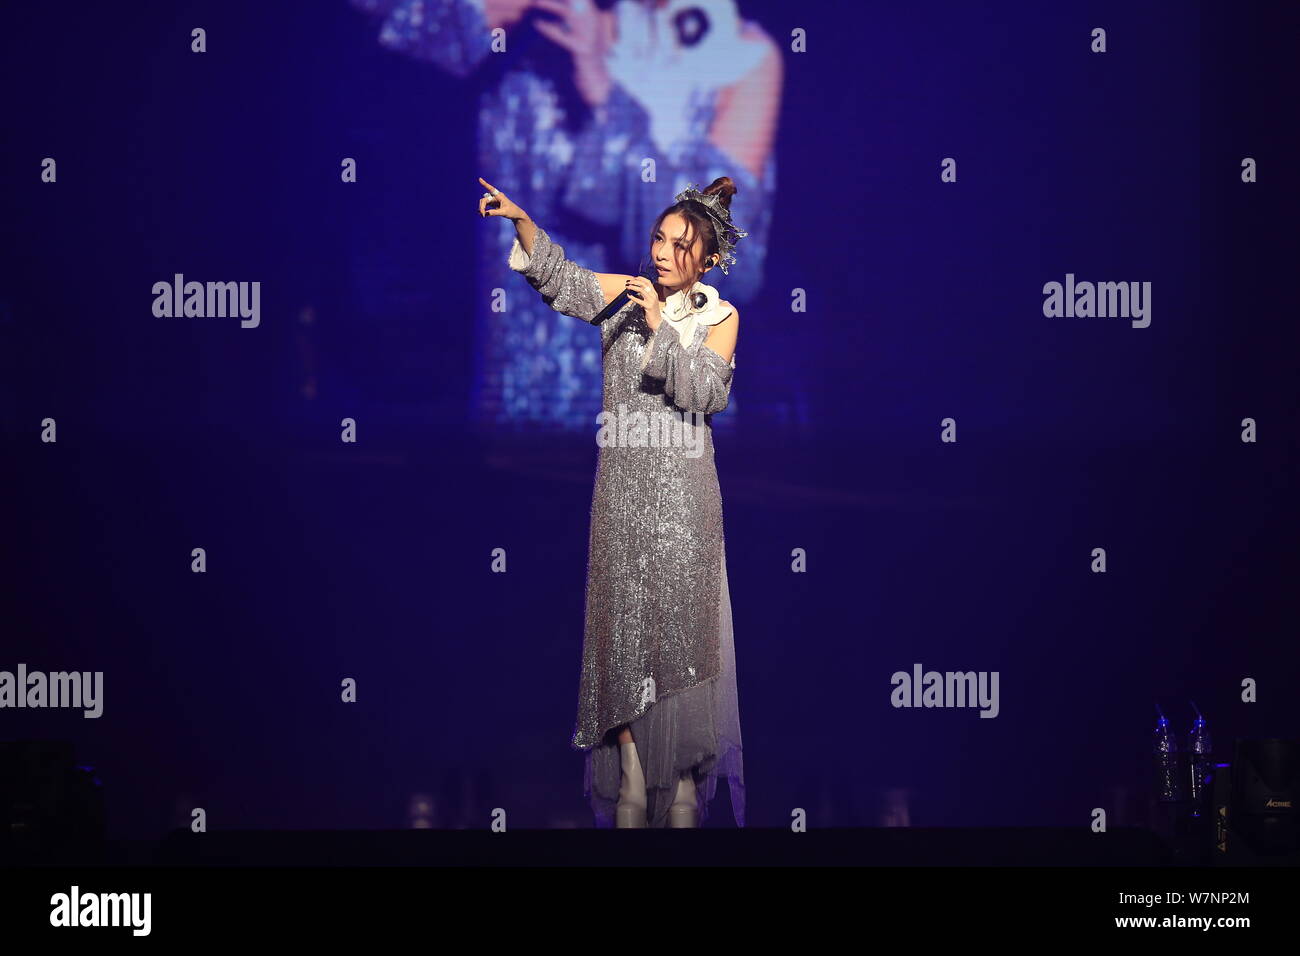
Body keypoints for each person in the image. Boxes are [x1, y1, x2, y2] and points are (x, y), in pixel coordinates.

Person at [353, 0, 781, 427]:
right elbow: (376, 25)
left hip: (655, 423)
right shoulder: (534, 32)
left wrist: (607, 102)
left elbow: (729, 270)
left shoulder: (739, 56)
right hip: (518, 400)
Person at [480, 172, 745, 827]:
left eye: (680, 245)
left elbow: (704, 394)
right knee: (621, 641)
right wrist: (521, 222)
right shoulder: (626, 295)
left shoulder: (720, 317)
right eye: (659, 237)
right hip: (623, 498)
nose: (662, 251)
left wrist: (661, 326)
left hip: (685, 503)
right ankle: (627, 771)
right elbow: (563, 282)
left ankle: (684, 782)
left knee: (682, 642)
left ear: (707, 260)